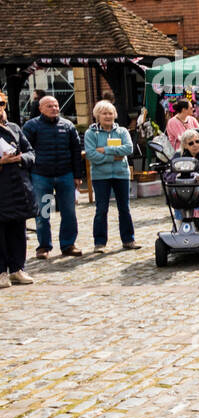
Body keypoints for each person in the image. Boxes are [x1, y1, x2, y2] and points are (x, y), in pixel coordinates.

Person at [22, 94, 83, 258]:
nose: (54, 108)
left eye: (56, 105)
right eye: (49, 106)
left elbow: (76, 151)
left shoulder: (68, 125)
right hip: (42, 176)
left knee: (69, 212)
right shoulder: (31, 126)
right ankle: (44, 246)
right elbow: (26, 151)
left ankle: (68, 244)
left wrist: (78, 175)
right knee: (44, 213)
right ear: (41, 108)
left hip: (65, 175)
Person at [83, 100, 137, 253]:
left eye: (110, 113)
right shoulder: (90, 133)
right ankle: (99, 243)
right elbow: (91, 155)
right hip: (100, 176)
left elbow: (128, 149)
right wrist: (113, 156)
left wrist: (104, 150)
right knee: (101, 209)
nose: (108, 116)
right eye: (104, 113)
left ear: (115, 115)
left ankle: (128, 240)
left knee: (124, 208)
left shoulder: (122, 131)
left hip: (121, 174)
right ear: (97, 116)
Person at [0, 92, 36, 287]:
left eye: (2, 105)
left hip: (18, 187)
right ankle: (1, 272)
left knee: (18, 231)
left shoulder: (14, 128)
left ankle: (17, 269)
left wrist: (21, 158)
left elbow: (31, 152)